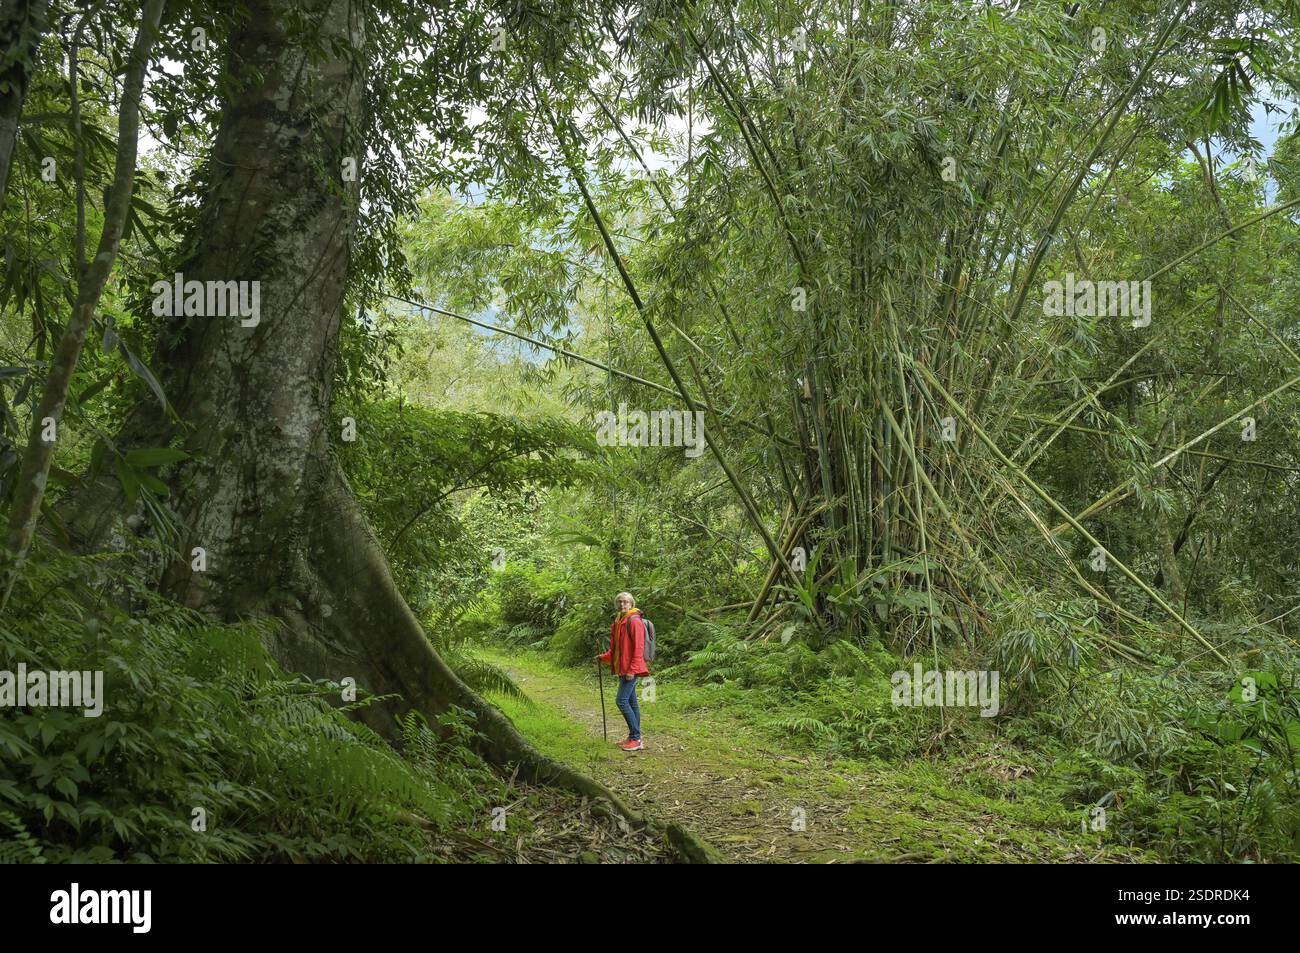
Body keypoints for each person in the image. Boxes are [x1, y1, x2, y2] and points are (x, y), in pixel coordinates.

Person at [597, 591, 650, 751]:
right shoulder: (619, 621)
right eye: (619, 601)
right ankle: (633, 737)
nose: (622, 604)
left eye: (626, 602)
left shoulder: (634, 621)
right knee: (632, 702)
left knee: (621, 701)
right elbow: (617, 648)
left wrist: (632, 670)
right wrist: (604, 657)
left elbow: (638, 648)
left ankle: (636, 738)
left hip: (631, 669)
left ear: (631, 604)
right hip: (623, 667)